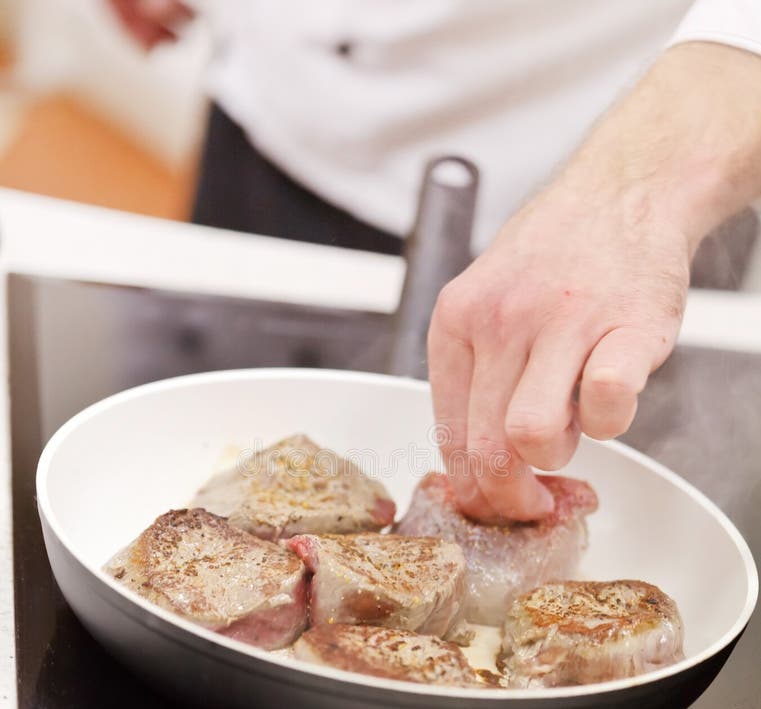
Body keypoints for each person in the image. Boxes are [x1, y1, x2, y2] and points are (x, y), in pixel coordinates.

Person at [107, 0, 761, 520]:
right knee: (175, 479)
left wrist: (629, 195)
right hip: (277, 108)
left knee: (580, 495)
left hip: (578, 213)